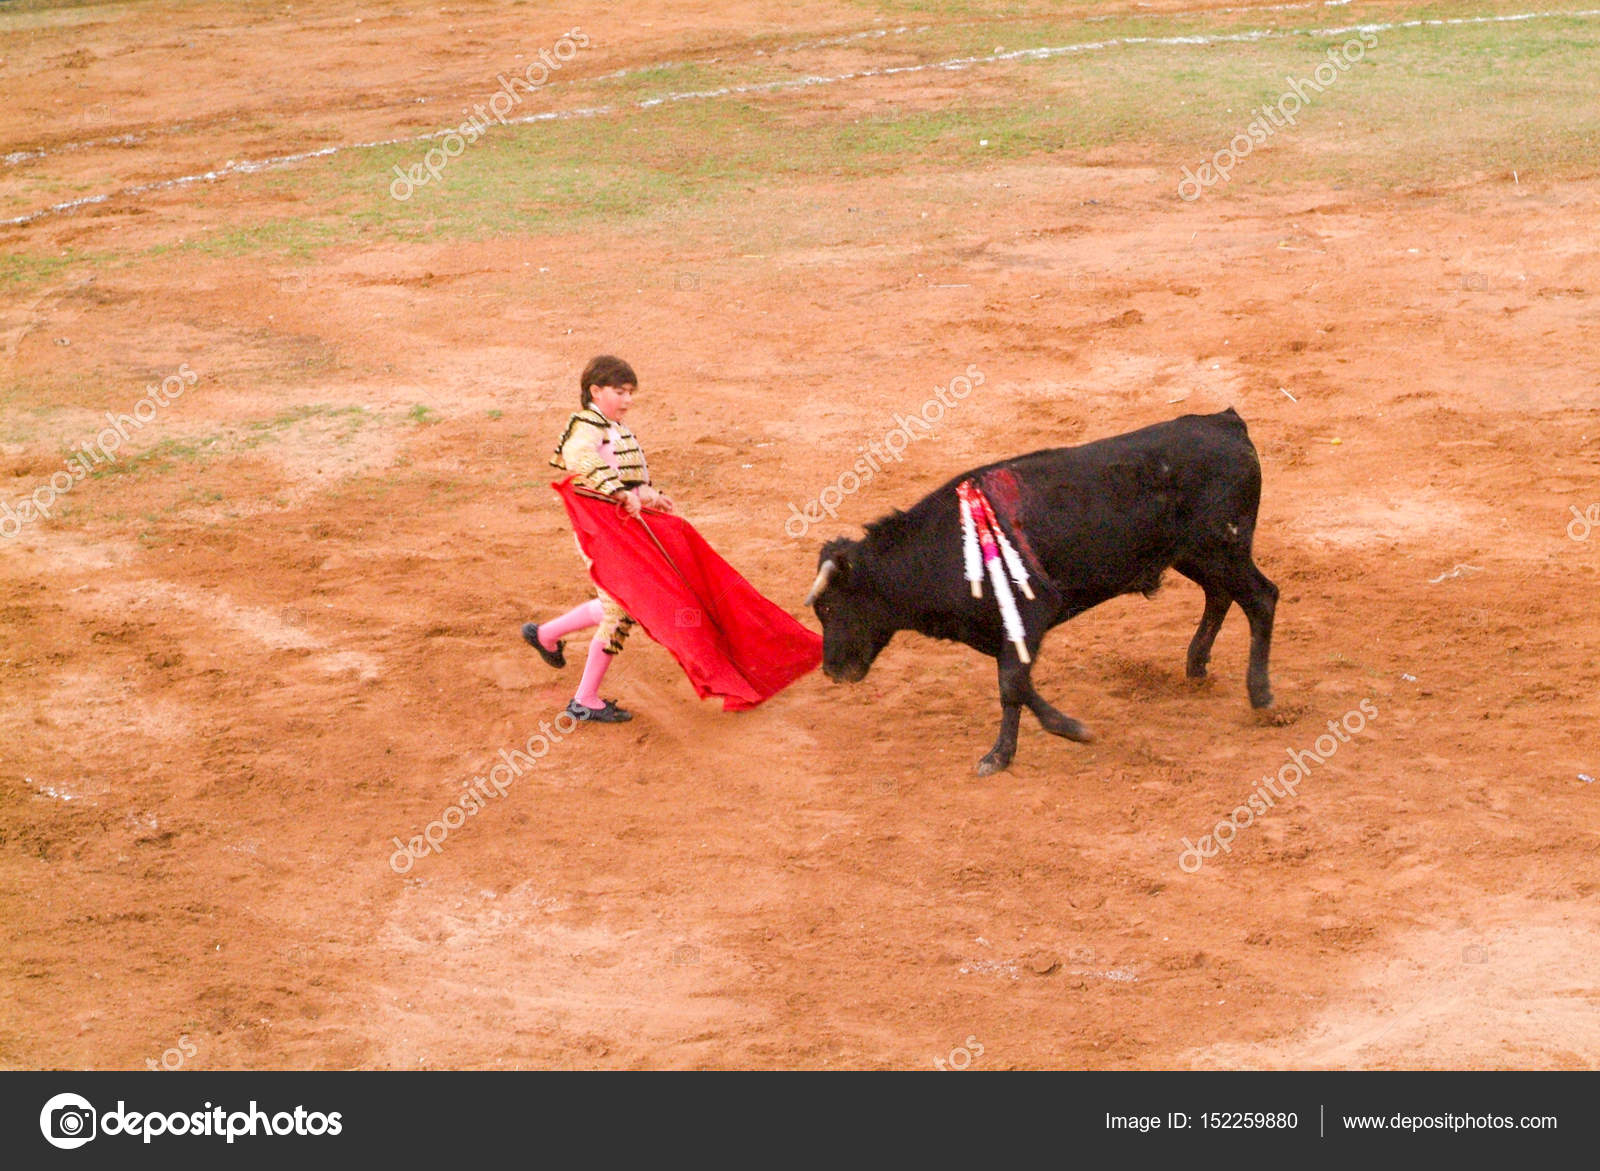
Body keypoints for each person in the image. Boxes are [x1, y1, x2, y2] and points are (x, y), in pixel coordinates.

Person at [523, 355, 673, 723]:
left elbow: (627, 477)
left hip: (617, 531)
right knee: (621, 610)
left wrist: (649, 496)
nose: (627, 400)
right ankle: (584, 700)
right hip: (600, 534)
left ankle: (546, 635)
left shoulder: (613, 427)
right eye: (619, 392)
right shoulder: (587, 425)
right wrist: (618, 492)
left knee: (615, 605)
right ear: (595, 391)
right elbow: (580, 457)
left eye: (630, 393)